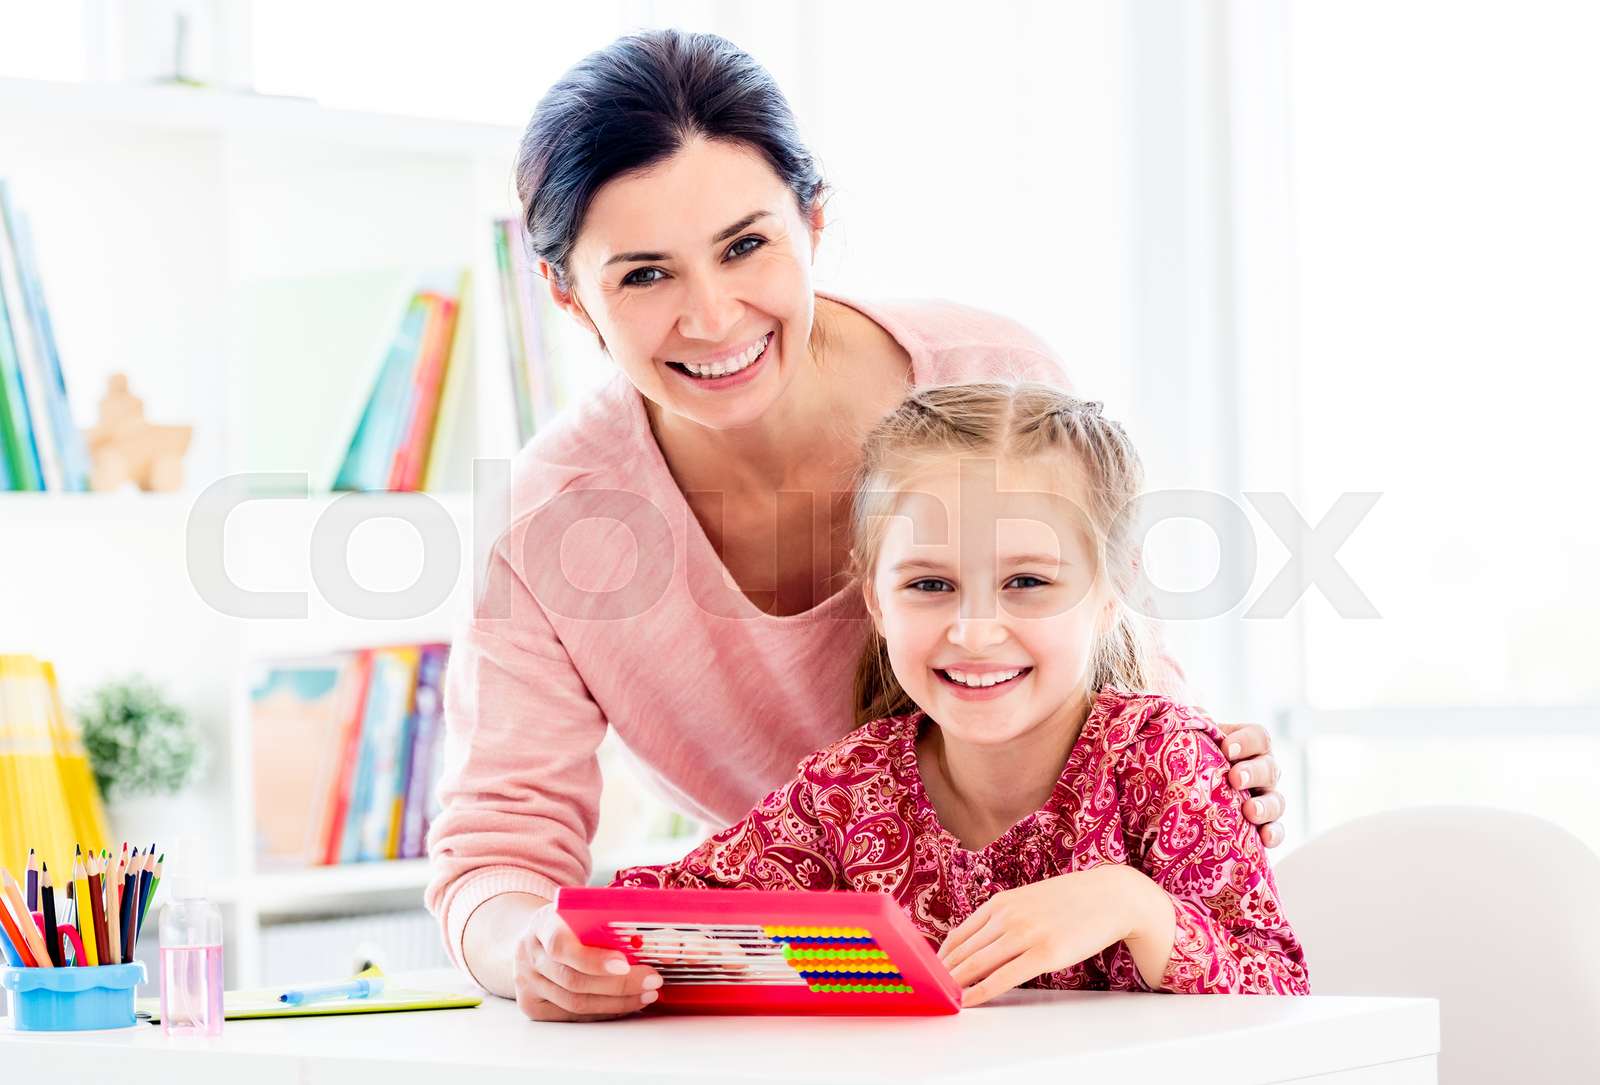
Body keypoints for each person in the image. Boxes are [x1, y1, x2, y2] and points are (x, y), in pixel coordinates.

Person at [424, 28, 1289, 1023]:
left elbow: (1122, 672)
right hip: (833, 1002)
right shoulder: (552, 521)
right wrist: (540, 948)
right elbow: (501, 852)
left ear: (813, 220)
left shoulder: (992, 381)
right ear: (567, 294)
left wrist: (1201, 776)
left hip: (1101, 997)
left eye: (745, 246)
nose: (712, 318)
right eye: (646, 275)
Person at [610, 384, 1310, 1011]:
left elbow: (1279, 994)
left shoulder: (1165, 764)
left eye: (1027, 582)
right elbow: (653, 917)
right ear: (876, 601)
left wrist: (1136, 906)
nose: (975, 632)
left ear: (1110, 592)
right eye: (930, 585)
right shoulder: (848, 791)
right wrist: (579, 964)